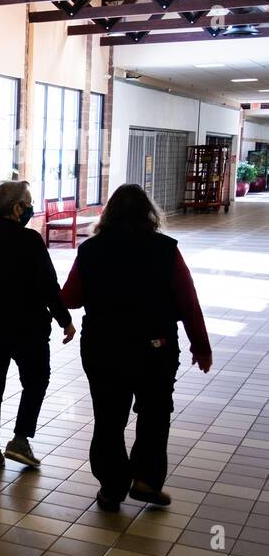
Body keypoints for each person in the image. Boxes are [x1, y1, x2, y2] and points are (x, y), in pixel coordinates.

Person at [61, 183, 212, 511]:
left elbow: (71, 297)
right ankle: (145, 479)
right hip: (155, 345)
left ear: (109, 214)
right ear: (149, 214)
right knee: (156, 413)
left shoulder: (91, 250)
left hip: (104, 346)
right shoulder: (166, 249)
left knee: (109, 418)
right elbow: (188, 301)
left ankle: (113, 487)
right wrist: (201, 347)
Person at [0, 179, 75, 473]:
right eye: (29, 203)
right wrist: (65, 321)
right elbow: (49, 287)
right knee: (36, 380)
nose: (31, 208)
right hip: (28, 329)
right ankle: (20, 440)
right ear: (17, 207)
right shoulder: (30, 241)